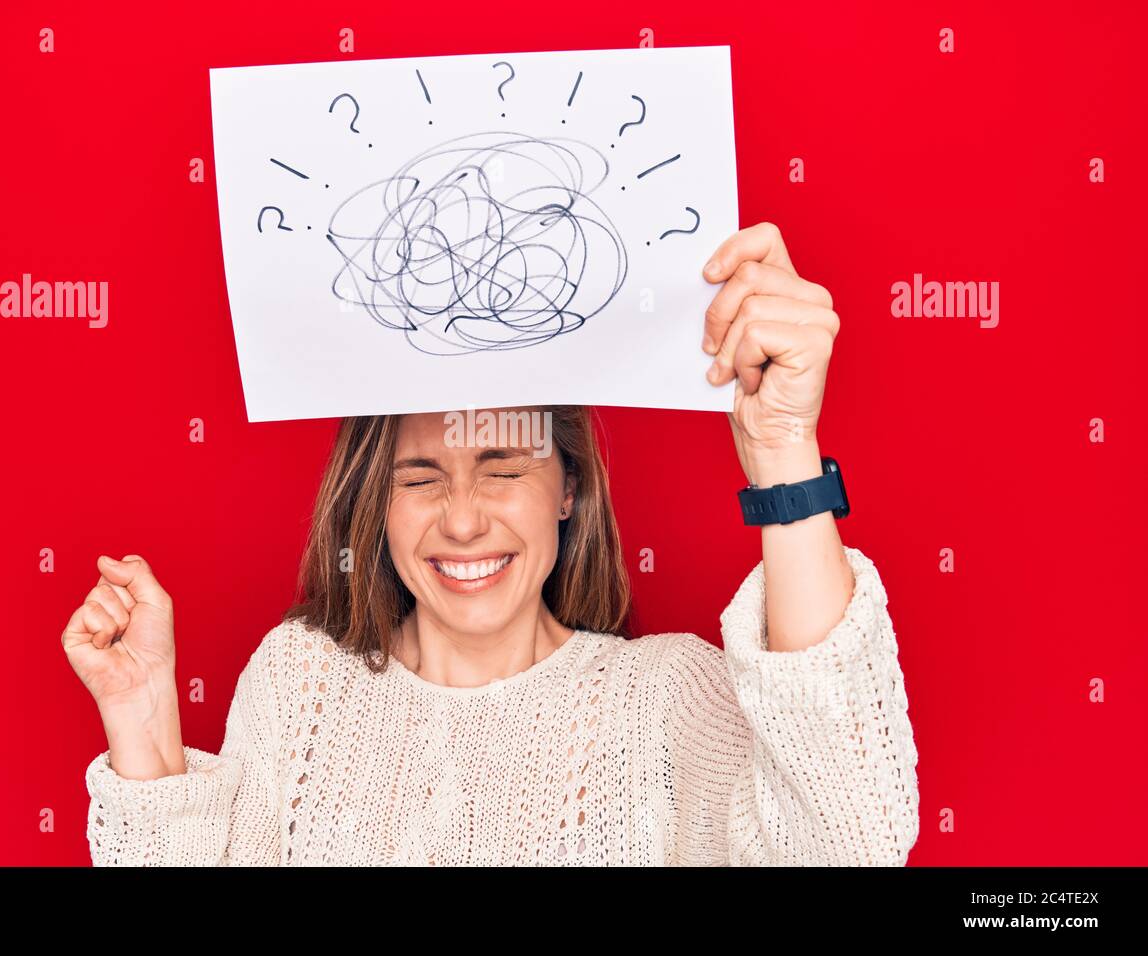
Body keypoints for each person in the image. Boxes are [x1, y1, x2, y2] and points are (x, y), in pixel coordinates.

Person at [62, 223, 920, 866]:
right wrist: (142, 718)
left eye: (504, 468)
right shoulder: (300, 685)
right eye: (420, 476)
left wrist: (783, 451)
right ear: (376, 502)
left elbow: (850, 842)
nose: (463, 519)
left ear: (569, 490)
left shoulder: (664, 699)